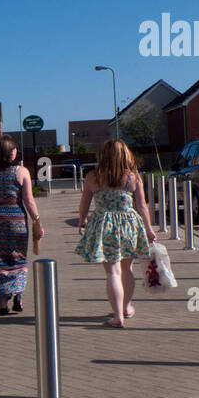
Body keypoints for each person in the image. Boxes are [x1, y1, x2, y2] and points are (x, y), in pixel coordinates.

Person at [74, 139, 157, 327]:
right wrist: (149, 229)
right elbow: (142, 206)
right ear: (125, 155)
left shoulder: (93, 177)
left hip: (104, 225)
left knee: (113, 272)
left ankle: (117, 315)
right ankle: (127, 307)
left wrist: (82, 220)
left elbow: (84, 203)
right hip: (128, 225)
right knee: (127, 269)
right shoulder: (133, 177)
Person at [0, 137, 43, 315]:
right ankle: (18, 294)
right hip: (15, 222)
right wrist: (37, 220)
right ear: (9, 153)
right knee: (16, 258)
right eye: (14, 149)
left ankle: (3, 304)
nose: (16, 152)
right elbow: (29, 200)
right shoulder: (21, 171)